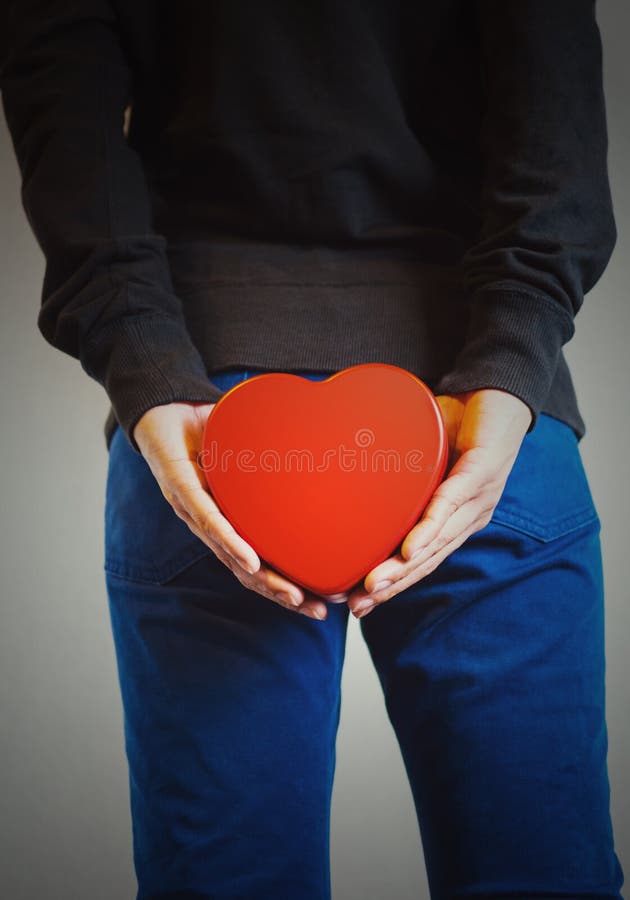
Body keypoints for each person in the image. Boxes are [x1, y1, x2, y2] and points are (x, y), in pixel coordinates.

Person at [1, 1, 624, 897]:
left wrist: (147, 363)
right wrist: (515, 350)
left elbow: (61, 99)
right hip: (475, 415)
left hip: (215, 421)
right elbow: (554, 103)